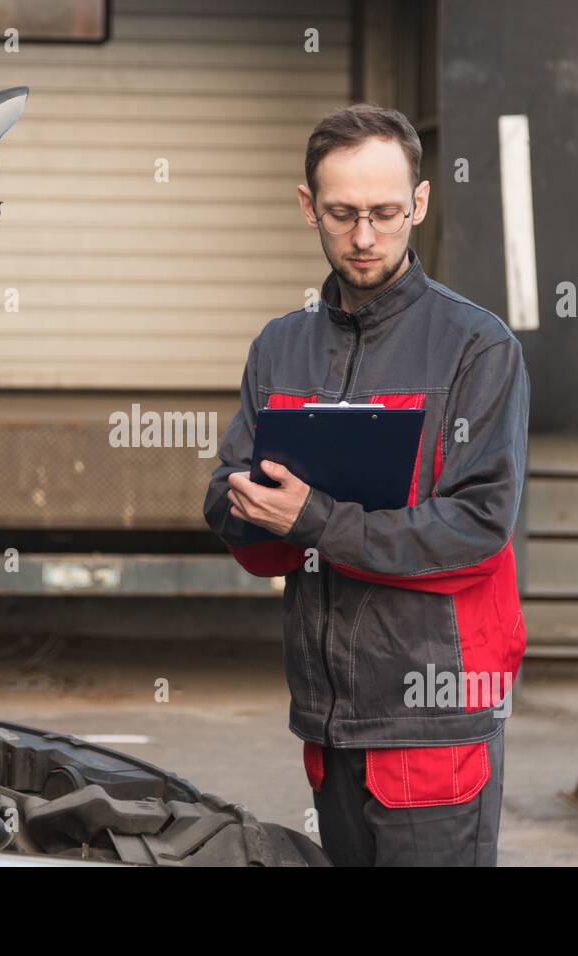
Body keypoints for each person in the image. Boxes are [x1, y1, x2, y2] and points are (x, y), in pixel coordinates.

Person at [203, 103, 530, 866]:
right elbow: (227, 495)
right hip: (328, 716)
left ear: (419, 203)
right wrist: (245, 509)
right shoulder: (281, 346)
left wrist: (313, 518)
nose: (363, 237)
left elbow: (478, 530)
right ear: (307, 206)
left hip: (433, 719)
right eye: (342, 213)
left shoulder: (476, 348)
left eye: (386, 213)